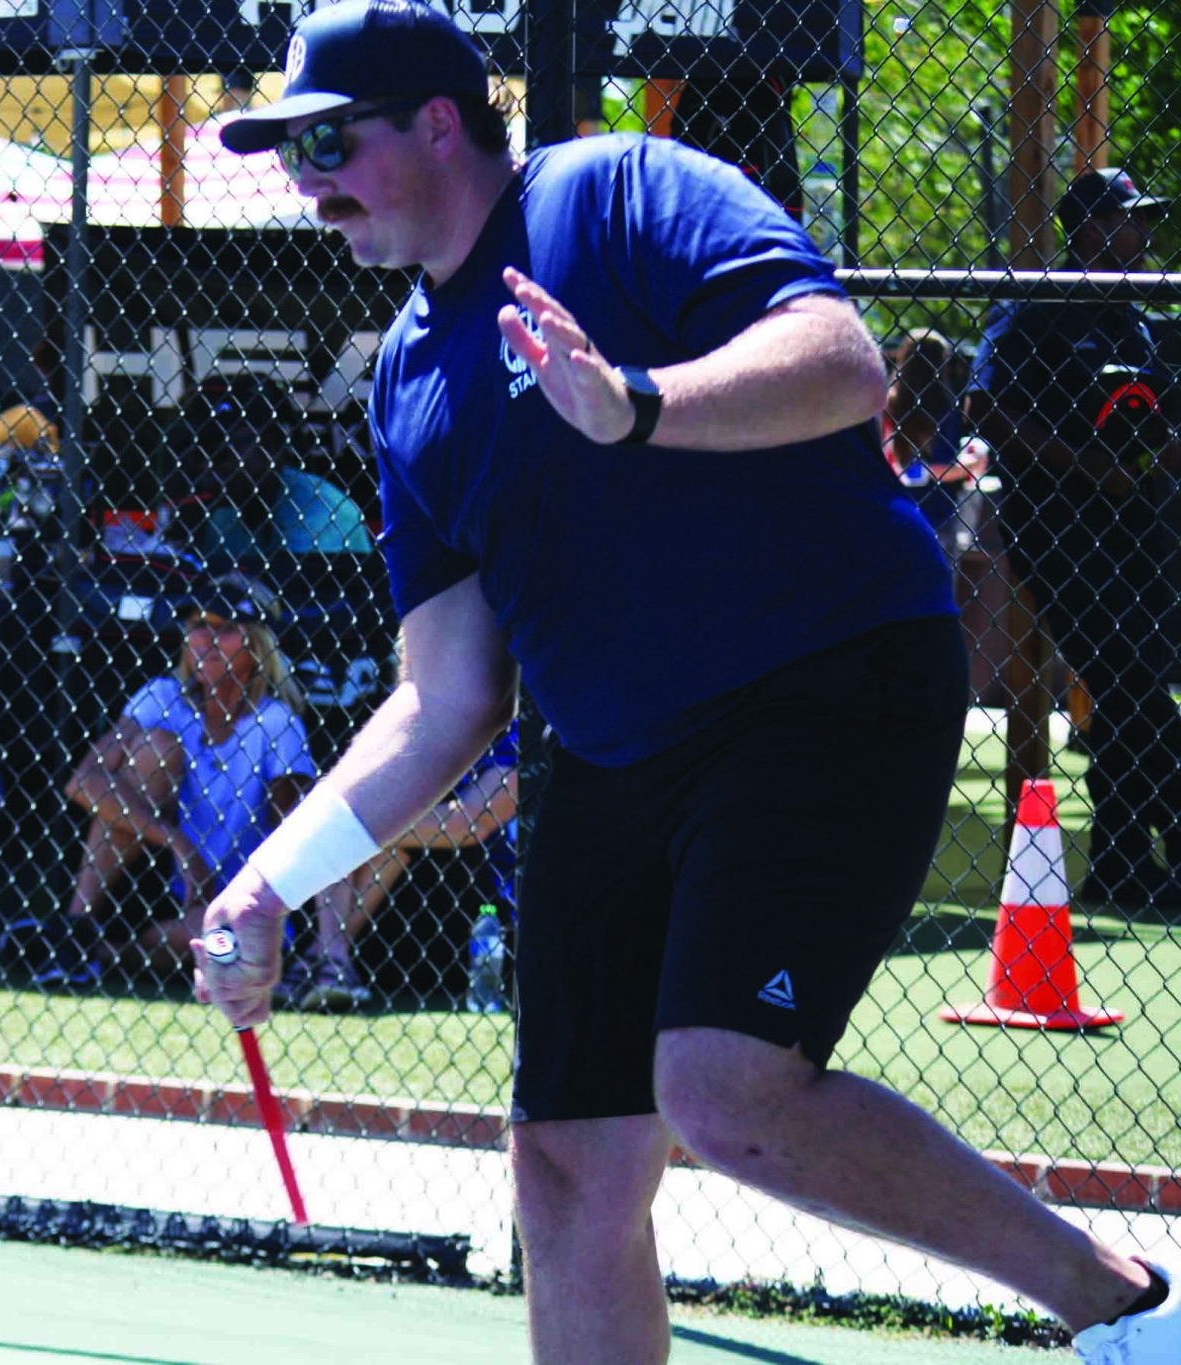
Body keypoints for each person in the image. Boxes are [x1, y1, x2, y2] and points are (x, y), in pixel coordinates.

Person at [193, 4, 1174, 1361]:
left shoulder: (622, 188)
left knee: (726, 1097)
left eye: (328, 146)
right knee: (568, 1160)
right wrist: (264, 883)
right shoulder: (409, 384)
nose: (307, 190)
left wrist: (635, 403)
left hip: (827, 679)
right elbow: (447, 692)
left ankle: (1122, 1306)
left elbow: (844, 361)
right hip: (609, 754)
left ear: (436, 119)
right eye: (287, 161)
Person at [967, 166, 1181, 910]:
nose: (1145, 234)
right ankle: (1172, 820)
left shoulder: (1139, 316)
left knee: (1134, 684)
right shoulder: (1037, 301)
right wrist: (1087, 465)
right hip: (1063, 529)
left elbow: (1158, 418)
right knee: (1130, 676)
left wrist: (1150, 457)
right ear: (1091, 229)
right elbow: (985, 408)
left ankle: (1123, 860)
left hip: (1141, 527)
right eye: (1131, 220)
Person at [19, 576, 356, 990]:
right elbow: (82, 781)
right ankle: (76, 925)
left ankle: (93, 953)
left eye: (225, 628)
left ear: (256, 644)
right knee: (153, 749)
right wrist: (179, 844)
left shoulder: (275, 722)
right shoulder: (163, 696)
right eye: (197, 624)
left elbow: (293, 823)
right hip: (155, 867)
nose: (206, 639)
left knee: (212, 937)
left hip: (234, 895)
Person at [276, 722, 517, 1013]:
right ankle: (333, 958)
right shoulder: (423, 718)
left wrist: (351, 824)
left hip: (487, 892)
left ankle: (322, 956)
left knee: (347, 828)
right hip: (405, 885)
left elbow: (470, 823)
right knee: (370, 837)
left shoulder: (517, 729)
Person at [158, 373, 373, 559]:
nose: (206, 466)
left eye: (218, 453)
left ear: (268, 446)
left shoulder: (321, 513)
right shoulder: (224, 516)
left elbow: (299, 600)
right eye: (197, 455)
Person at [884, 327, 988, 563]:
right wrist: (968, 464)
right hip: (937, 514)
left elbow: (903, 464)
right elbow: (938, 469)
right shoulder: (943, 408)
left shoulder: (887, 405)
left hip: (894, 508)